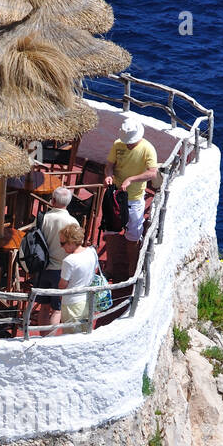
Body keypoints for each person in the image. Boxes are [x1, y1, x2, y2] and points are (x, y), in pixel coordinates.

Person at [104, 114, 158, 279]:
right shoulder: (118, 145)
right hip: (115, 195)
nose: (128, 144)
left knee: (133, 237)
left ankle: (131, 271)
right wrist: (108, 175)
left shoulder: (147, 149)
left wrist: (131, 179)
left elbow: (152, 172)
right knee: (111, 233)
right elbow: (109, 166)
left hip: (133, 198)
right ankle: (110, 268)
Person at [34, 186, 79, 330]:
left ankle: (42, 339)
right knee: (57, 309)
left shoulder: (43, 218)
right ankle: (49, 342)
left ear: (52, 200)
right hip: (62, 271)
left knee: (44, 308)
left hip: (43, 268)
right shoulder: (73, 223)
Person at [56, 221, 100, 334]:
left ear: (71, 242)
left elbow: (62, 285)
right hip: (88, 300)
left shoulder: (69, 261)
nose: (61, 246)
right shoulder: (92, 252)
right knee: (86, 333)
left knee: (70, 336)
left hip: (71, 304)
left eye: (62, 243)